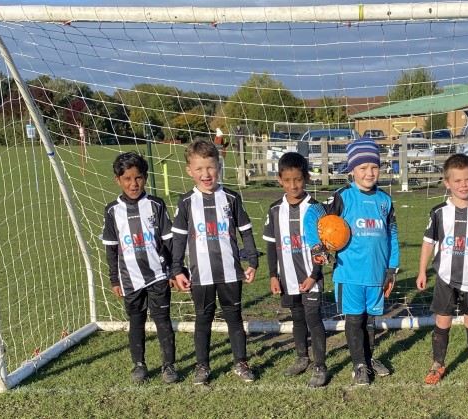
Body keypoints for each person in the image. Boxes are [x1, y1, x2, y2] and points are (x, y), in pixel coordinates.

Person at [303, 138, 400, 386]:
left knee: (370, 320)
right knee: (355, 319)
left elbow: (392, 235)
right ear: (352, 169)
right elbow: (312, 214)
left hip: (377, 274)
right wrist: (316, 245)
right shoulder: (343, 197)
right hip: (349, 273)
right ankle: (358, 366)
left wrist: (392, 267)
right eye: (363, 167)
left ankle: (367, 359)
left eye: (374, 167)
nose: (369, 172)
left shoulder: (385, 201)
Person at [170, 139, 260, 385]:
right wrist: (177, 269)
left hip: (231, 272)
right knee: (203, 319)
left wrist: (252, 261)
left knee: (234, 318)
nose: (205, 174)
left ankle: (240, 362)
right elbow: (178, 240)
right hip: (200, 274)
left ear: (218, 166)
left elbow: (246, 231)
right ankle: (202, 366)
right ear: (190, 171)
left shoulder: (231, 197)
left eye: (210, 167)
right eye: (199, 169)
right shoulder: (186, 202)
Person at [416, 154, 468, 384]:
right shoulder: (439, 212)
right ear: (447, 183)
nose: (463, 185)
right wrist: (422, 270)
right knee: (443, 321)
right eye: (457, 181)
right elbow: (428, 242)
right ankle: (437, 364)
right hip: (445, 278)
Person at [101, 151, 178, 384]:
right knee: (136, 321)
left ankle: (169, 366)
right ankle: (139, 365)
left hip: (158, 276)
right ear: (118, 180)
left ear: (145, 177)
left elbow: (168, 241)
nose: (133, 184)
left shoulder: (156, 205)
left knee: (163, 320)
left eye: (138, 178)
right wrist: (114, 280)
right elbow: (112, 248)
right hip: (130, 278)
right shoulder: (112, 210)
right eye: (127, 179)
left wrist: (175, 271)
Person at [262, 152, 328, 388]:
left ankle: (320, 367)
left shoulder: (317, 209)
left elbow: (323, 247)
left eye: (298, 179)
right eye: (287, 180)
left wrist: (314, 276)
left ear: (307, 178)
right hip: (287, 277)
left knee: (313, 319)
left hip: (311, 277)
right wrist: (272, 275)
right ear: (279, 179)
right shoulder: (274, 209)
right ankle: (302, 358)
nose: (293, 185)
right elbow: (270, 245)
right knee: (297, 318)